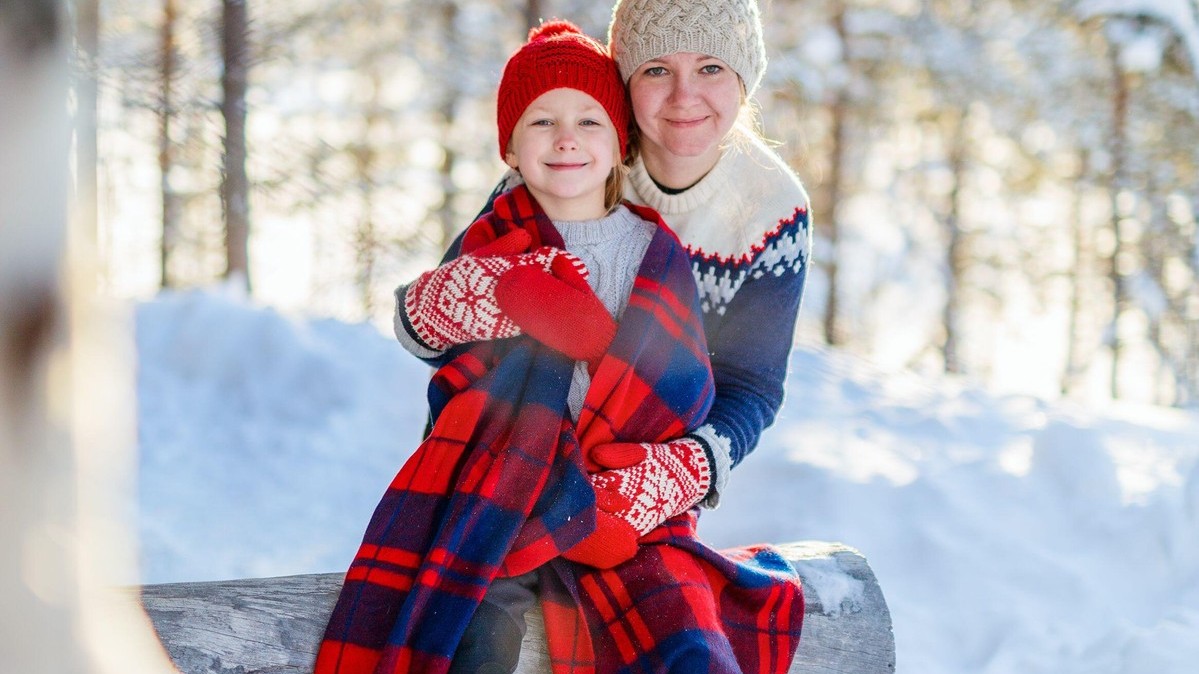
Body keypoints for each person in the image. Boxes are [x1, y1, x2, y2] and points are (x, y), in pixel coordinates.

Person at [315, 19, 802, 674]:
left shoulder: (763, 210)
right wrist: (498, 295)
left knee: (679, 635)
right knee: (463, 625)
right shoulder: (548, 180)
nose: (685, 94)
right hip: (508, 462)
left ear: (745, 75)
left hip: (630, 474)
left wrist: (677, 471)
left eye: (711, 67)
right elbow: (431, 327)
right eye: (657, 69)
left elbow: (747, 385)